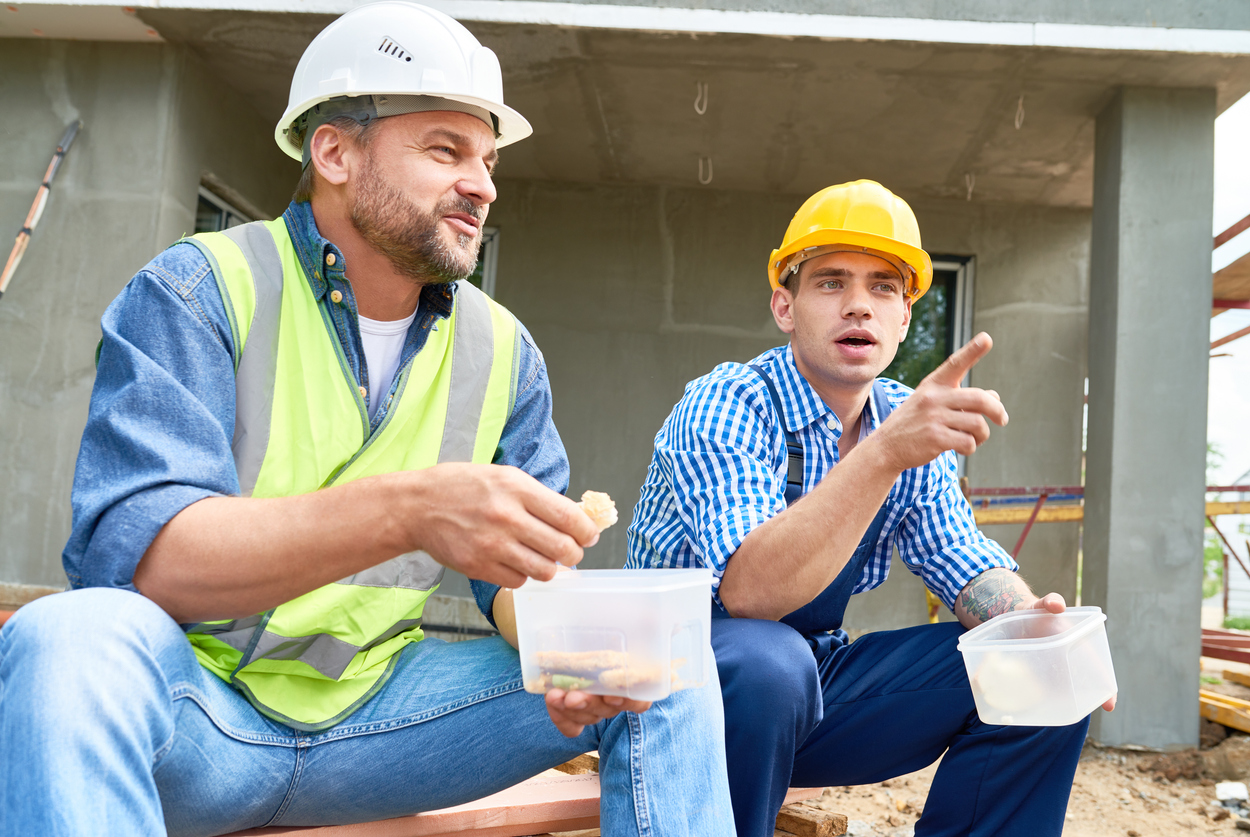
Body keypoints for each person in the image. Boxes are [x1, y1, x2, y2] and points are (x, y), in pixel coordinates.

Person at [0, 4, 735, 835]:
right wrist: (410, 508)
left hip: (384, 724)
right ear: (335, 153)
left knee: (658, 663)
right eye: (445, 150)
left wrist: (566, 654)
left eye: (488, 159)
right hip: (198, 714)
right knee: (65, 640)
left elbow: (521, 579)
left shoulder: (501, 350)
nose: (483, 184)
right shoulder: (202, 291)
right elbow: (149, 564)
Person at [626, 180, 1114, 837]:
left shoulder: (899, 418)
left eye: (883, 287)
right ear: (785, 306)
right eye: (831, 282)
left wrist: (1032, 626)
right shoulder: (730, 403)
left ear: (904, 319)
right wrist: (882, 455)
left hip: (808, 687)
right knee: (770, 662)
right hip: (670, 690)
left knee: (1039, 671)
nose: (859, 304)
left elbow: (961, 560)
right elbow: (750, 594)